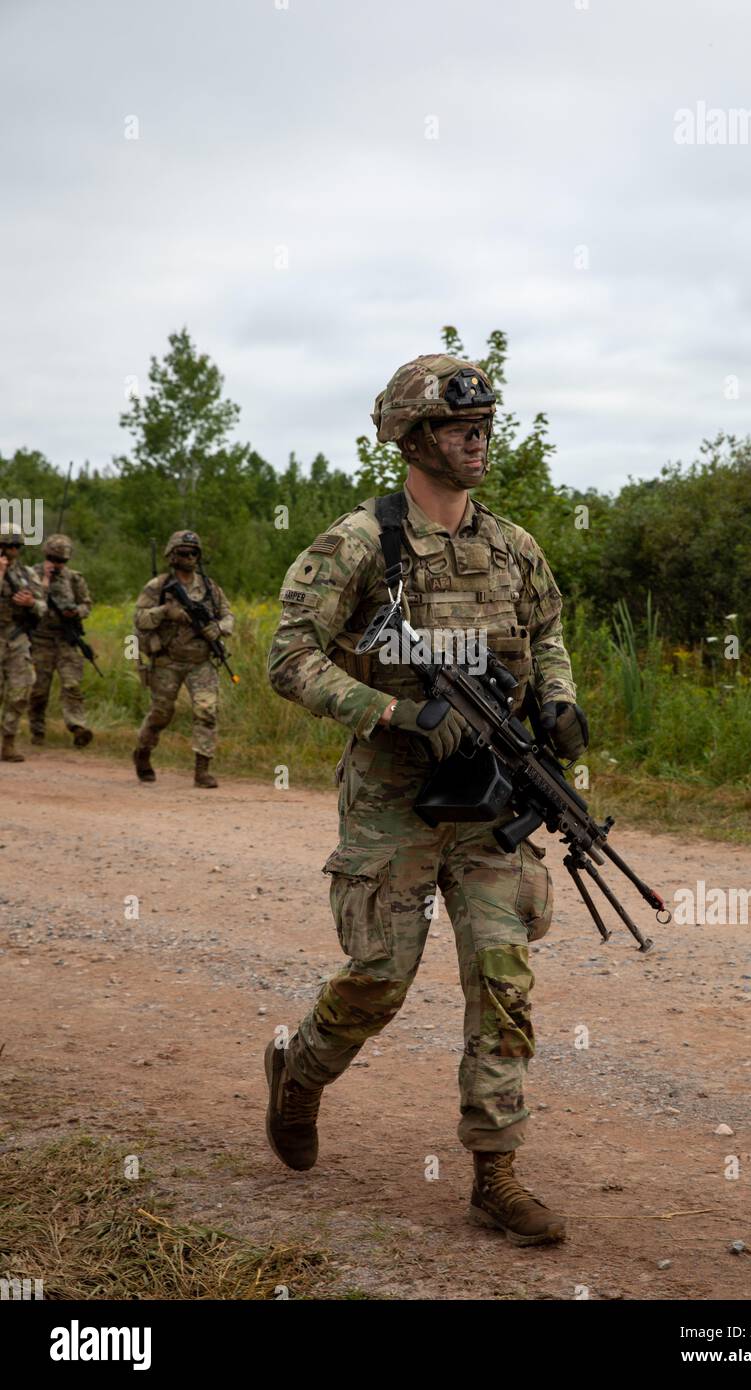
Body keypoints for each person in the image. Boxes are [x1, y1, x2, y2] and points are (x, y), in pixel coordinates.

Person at [265, 354, 589, 1246]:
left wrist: (558, 703)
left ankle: (497, 1173)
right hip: (393, 804)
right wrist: (395, 711)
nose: (478, 437)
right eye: (457, 426)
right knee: (378, 978)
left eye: (485, 423)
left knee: (502, 973)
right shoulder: (361, 543)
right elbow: (288, 656)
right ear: (413, 438)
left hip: (491, 801)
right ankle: (297, 1073)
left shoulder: (514, 546)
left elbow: (550, 632)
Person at [132, 530, 234, 788]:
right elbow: (139, 619)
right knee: (161, 714)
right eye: (183, 553)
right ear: (171, 555)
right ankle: (142, 752)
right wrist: (166, 612)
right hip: (167, 661)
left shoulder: (209, 587)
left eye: (193, 553)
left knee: (206, 711)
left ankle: (202, 771)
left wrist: (218, 628)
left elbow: (229, 616)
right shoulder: (158, 587)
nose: (188, 557)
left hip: (200, 660)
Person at [29, 533, 94, 747]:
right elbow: (30, 602)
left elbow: (87, 604)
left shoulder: (75, 578)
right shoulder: (31, 575)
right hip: (40, 640)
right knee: (39, 689)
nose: (57, 564)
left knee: (72, 684)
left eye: (62, 561)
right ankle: (37, 730)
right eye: (53, 559)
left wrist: (76, 612)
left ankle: (78, 727)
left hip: (66, 639)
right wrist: (45, 581)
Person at [0, 530, 46, 763]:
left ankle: (8, 741)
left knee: (21, 689)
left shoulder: (26, 574)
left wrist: (31, 603)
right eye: (8, 546)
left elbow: (42, 606)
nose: (13, 551)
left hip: (16, 636)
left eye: (17, 546)